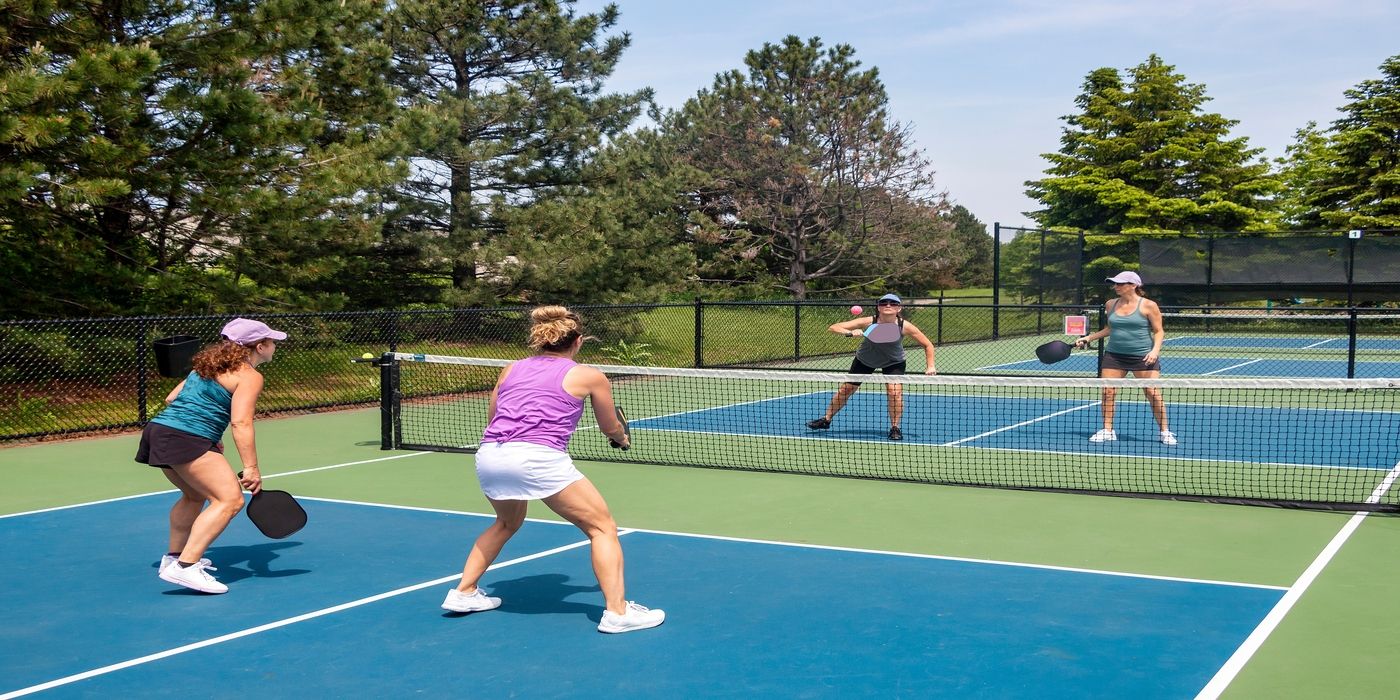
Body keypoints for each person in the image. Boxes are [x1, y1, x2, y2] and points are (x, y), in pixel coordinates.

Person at [441, 305, 665, 634]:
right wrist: (621, 437)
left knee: (505, 523)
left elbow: (494, 418)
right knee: (602, 529)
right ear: (577, 341)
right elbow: (609, 426)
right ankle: (618, 613)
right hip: (536, 459)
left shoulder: (510, 369)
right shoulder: (589, 375)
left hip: (491, 453)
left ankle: (463, 593)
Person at [136, 317, 286, 594]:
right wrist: (251, 467)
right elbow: (241, 422)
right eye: (272, 341)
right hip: (185, 436)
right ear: (260, 346)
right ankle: (185, 568)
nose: (275, 346)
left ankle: (172, 560)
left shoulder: (207, 366)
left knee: (194, 495)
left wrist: (210, 436)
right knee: (229, 501)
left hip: (159, 431)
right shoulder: (249, 376)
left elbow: (171, 398)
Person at [805, 293, 937, 441]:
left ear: (898, 308)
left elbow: (928, 345)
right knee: (846, 390)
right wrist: (849, 332)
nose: (888, 305)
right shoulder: (869, 321)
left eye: (893, 303)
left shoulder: (904, 326)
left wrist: (930, 366)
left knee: (894, 393)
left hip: (893, 362)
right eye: (884, 303)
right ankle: (826, 420)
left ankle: (895, 427)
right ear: (878, 307)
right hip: (865, 360)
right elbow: (833, 327)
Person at [1074, 271, 1177, 445]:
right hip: (1114, 355)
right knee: (1108, 391)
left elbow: (1159, 331)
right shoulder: (1110, 304)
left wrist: (1154, 352)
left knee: (1151, 392)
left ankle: (1165, 431)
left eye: (1120, 284)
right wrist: (1088, 338)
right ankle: (1107, 430)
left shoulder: (1149, 305)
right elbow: (1110, 329)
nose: (1116, 286)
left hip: (1143, 357)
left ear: (1133, 285)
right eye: (1115, 283)